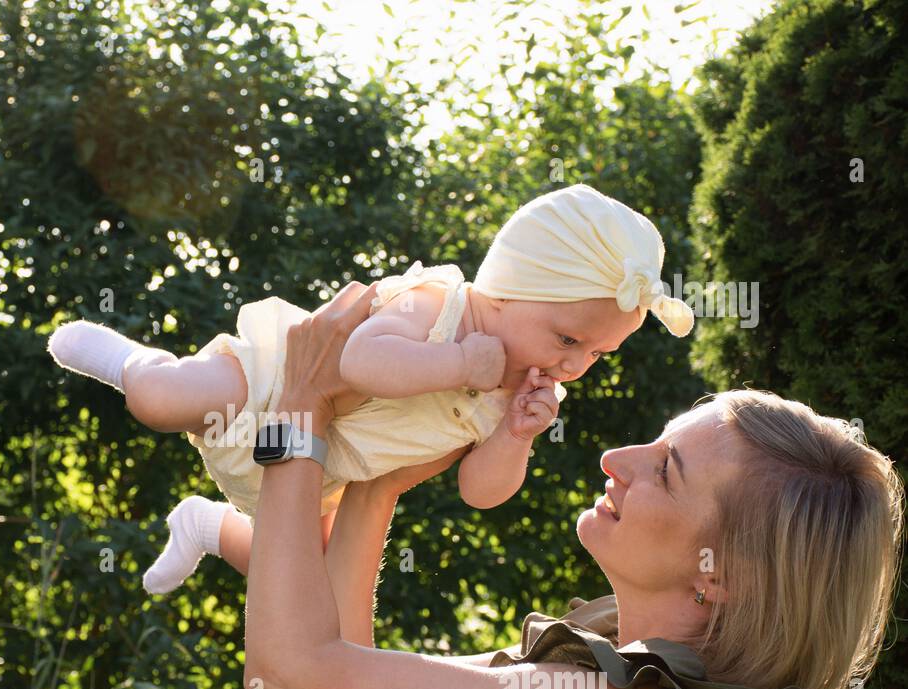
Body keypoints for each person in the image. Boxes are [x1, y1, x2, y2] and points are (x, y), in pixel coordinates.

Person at [239, 280, 904, 689]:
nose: (617, 459)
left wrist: (302, 408)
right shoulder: (619, 661)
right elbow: (353, 679)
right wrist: (377, 485)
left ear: (723, 578)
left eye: (665, 471)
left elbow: (296, 676)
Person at [47, 185, 696, 593]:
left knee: (309, 578)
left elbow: (480, 492)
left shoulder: (511, 397)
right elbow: (361, 361)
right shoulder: (441, 304)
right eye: (566, 339)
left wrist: (516, 437)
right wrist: (464, 365)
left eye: (597, 354)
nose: (575, 364)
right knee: (162, 402)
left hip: (320, 468)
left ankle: (206, 527)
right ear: (509, 291)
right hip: (266, 389)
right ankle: (134, 362)